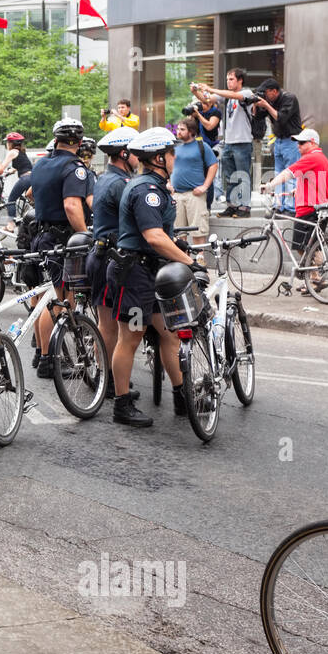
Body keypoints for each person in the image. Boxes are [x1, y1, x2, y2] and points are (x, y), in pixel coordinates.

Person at [109, 127, 196, 428]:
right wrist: (188, 261)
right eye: (171, 153)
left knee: (170, 334)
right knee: (130, 337)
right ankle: (121, 404)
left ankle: (182, 395)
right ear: (159, 157)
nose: (175, 158)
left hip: (153, 273)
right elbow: (154, 236)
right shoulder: (146, 191)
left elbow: (163, 236)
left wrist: (178, 247)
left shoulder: (156, 187)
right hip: (135, 275)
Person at [30, 119, 93, 380]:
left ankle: (43, 355)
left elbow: (30, 195)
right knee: (59, 301)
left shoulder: (42, 163)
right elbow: (71, 206)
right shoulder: (75, 167)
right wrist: (83, 234)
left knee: (47, 298)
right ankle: (47, 359)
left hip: (41, 235)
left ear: (56, 140)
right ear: (79, 144)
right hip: (60, 240)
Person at [87, 127, 138, 398]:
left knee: (106, 322)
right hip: (109, 257)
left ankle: (105, 375)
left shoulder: (106, 178)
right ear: (124, 153)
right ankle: (106, 381)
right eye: (135, 152)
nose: (139, 157)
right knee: (109, 326)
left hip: (100, 254)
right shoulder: (120, 184)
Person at [260, 128, 328, 294]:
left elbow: (288, 172)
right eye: (297, 143)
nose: (298, 146)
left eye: (301, 142)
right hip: (317, 207)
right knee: (311, 246)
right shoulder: (320, 158)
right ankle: (314, 280)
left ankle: (316, 278)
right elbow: (315, 181)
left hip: (309, 209)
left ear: (313, 142)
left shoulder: (311, 157)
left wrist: (270, 185)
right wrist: (297, 190)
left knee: (302, 246)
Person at [197, 69, 256, 218]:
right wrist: (195, 91)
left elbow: (233, 95)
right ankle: (232, 205)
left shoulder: (247, 93)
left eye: (231, 79)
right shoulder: (228, 98)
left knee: (242, 175)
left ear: (240, 80)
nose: (229, 82)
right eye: (227, 79)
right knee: (229, 176)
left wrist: (210, 89)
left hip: (242, 141)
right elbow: (207, 100)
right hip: (228, 142)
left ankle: (244, 206)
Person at [246, 79, 303, 215]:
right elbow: (258, 117)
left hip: (291, 141)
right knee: (279, 175)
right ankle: (279, 206)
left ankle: (290, 208)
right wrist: (255, 105)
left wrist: (266, 104)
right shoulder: (270, 100)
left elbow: (281, 118)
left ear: (274, 91)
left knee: (290, 175)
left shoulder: (289, 98)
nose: (264, 96)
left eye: (266, 93)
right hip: (278, 141)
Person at [168, 116, 217, 258]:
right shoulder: (175, 148)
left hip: (195, 194)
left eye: (182, 129)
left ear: (191, 131)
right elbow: (168, 167)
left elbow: (213, 165)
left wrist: (205, 186)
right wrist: (169, 184)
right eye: (178, 129)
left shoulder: (202, 146)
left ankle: (199, 259)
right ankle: (184, 260)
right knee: (179, 232)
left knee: (198, 230)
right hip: (176, 195)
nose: (178, 132)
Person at [3, 132, 34, 219]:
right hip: (32, 177)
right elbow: (22, 165)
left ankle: (11, 225)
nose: (6, 144)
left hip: (25, 179)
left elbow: (2, 167)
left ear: (11, 143)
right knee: (33, 200)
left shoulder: (12, 152)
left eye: (7, 142)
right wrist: (10, 171)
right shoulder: (21, 152)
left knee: (11, 201)